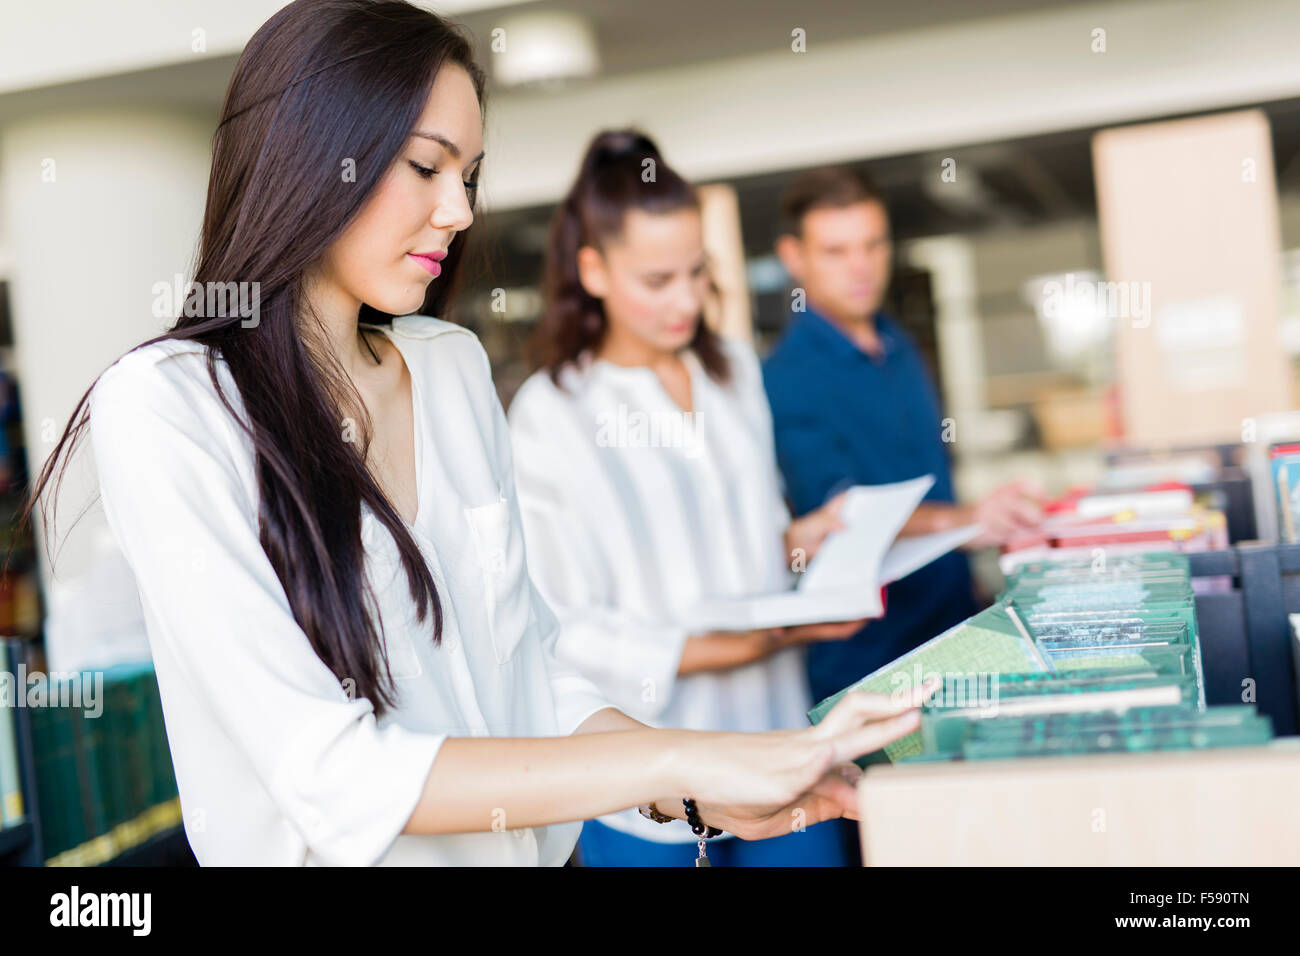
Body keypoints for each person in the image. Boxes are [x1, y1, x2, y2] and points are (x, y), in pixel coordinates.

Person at [14, 0, 925, 867]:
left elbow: (533, 677)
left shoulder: (447, 368)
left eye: (470, 177)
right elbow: (327, 773)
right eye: (426, 167)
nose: (460, 211)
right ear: (312, 153)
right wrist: (674, 764)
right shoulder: (171, 406)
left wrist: (689, 784)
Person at [508, 130, 871, 867]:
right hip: (649, 787)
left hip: (778, 748)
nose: (684, 300)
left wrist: (811, 540)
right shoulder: (553, 412)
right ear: (594, 270)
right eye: (656, 279)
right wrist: (732, 646)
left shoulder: (732, 371)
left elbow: (752, 538)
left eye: (696, 273)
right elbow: (563, 627)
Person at [763, 165, 1045, 707]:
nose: (861, 267)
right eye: (836, 251)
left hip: (954, 632)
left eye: (872, 245)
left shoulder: (899, 346)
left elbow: (930, 485)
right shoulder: (787, 378)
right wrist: (969, 521)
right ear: (793, 257)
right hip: (872, 666)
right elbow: (843, 514)